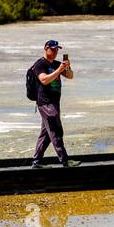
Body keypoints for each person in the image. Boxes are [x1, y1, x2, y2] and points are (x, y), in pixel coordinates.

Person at [30, 39, 79, 168]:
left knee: (46, 134)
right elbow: (44, 80)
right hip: (45, 103)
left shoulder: (57, 63)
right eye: (53, 49)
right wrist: (58, 70)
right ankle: (65, 161)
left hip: (54, 102)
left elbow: (70, 76)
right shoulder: (40, 64)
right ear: (46, 48)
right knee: (56, 130)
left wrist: (67, 67)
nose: (56, 51)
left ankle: (36, 162)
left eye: (57, 49)